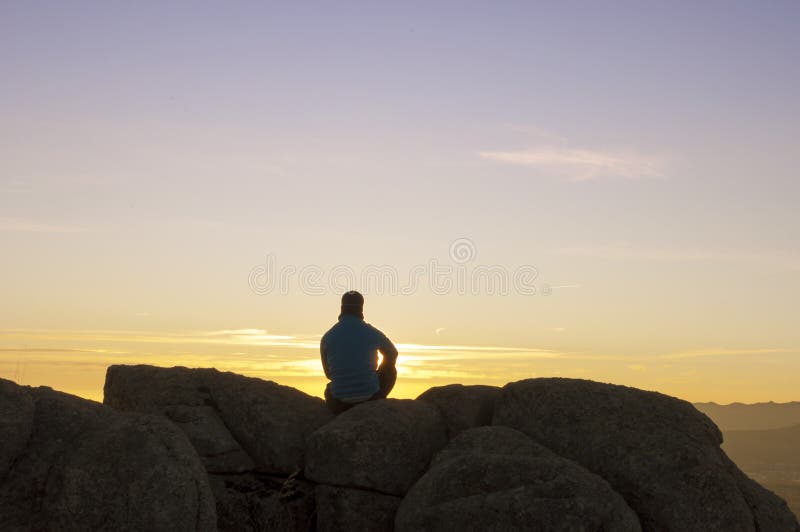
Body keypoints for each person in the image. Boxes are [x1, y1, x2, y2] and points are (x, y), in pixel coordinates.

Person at [320, 291, 398, 414]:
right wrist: (379, 370)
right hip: (371, 397)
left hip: (339, 402)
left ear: (342, 308)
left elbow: (329, 374)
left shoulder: (327, 337)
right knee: (391, 370)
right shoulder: (371, 332)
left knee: (329, 389)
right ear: (361, 309)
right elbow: (393, 353)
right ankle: (374, 402)